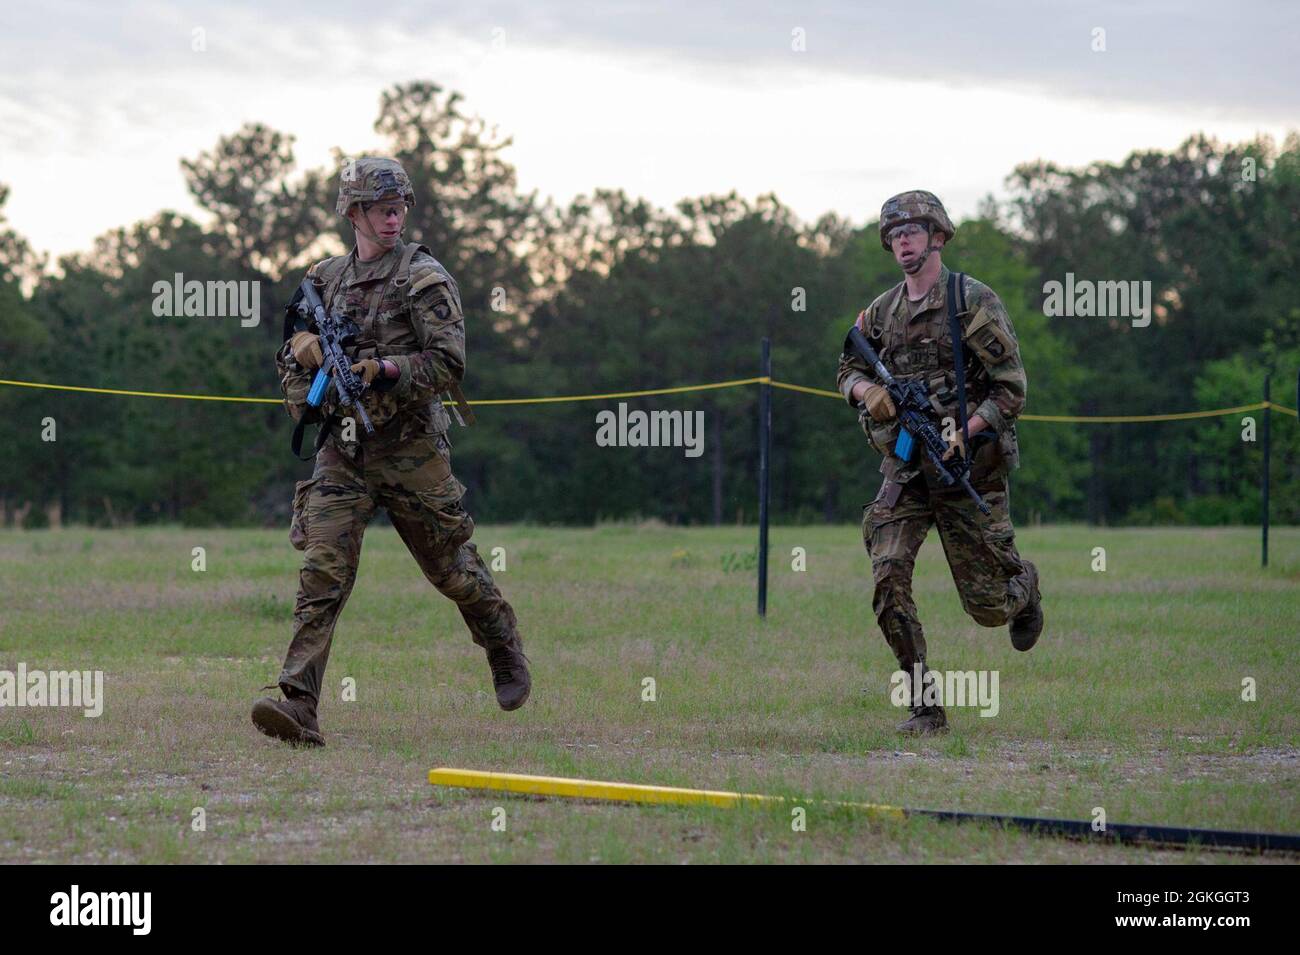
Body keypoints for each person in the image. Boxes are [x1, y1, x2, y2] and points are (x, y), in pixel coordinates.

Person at [253, 156, 530, 747]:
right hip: (343, 454)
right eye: (382, 208)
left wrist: (384, 368)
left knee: (452, 571)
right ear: (353, 213)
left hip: (411, 452)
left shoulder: (424, 278)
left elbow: (449, 363)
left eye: (400, 207)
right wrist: (305, 353)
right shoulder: (324, 279)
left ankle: (500, 638)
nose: (393, 218)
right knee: (322, 574)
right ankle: (298, 704)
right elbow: (288, 350)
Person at [837, 190, 1043, 736]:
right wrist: (866, 394)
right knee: (887, 577)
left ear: (938, 236)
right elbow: (847, 367)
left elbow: (1010, 390)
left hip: (966, 469)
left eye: (912, 232)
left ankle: (1024, 585)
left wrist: (964, 431)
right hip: (905, 471)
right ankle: (925, 706)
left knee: (989, 608)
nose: (902, 242)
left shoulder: (971, 301)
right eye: (894, 235)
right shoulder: (880, 313)